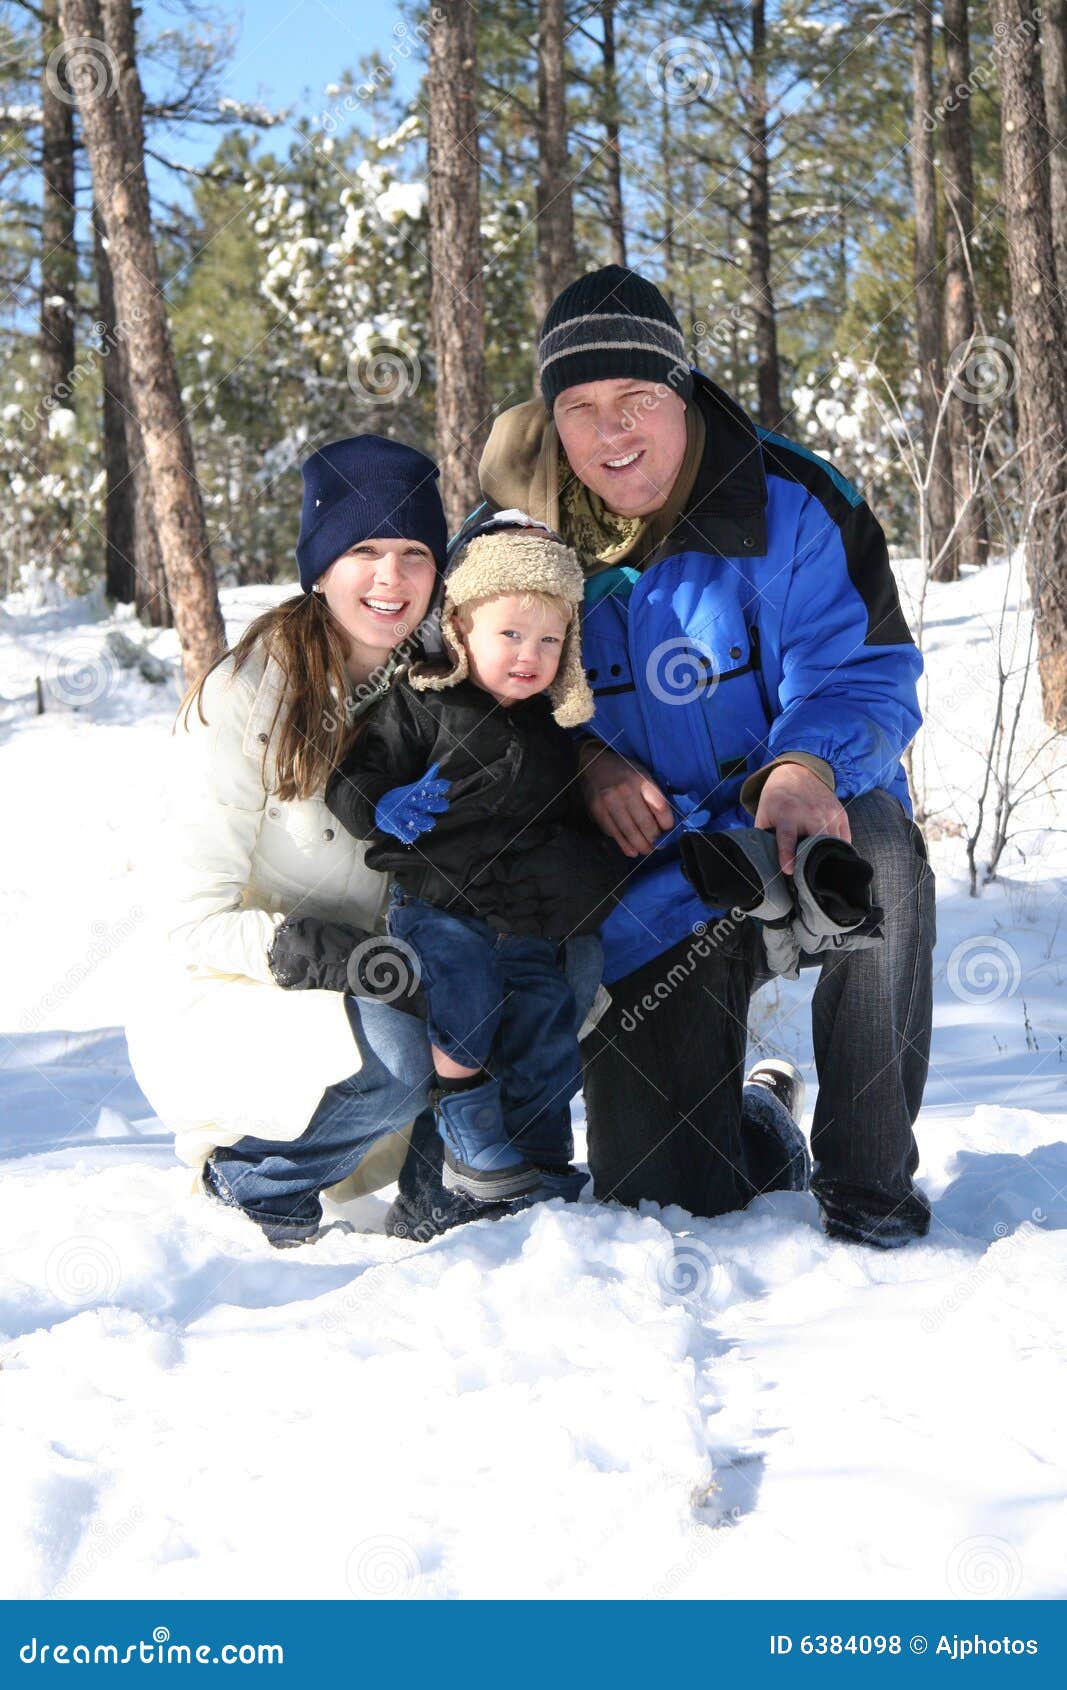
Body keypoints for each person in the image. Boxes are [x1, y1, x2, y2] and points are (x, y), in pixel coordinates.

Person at [451, 265, 937, 1250]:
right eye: (581, 408)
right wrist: (579, 759)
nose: (612, 431)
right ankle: (759, 1124)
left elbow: (864, 672)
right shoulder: (510, 544)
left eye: (637, 398)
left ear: (682, 389)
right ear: (551, 418)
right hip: (656, 888)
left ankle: (867, 1182)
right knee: (663, 1197)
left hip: (801, 836)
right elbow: (466, 718)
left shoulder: (795, 503)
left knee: (884, 861)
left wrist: (802, 764)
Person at [124, 435, 604, 1247]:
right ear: (320, 566)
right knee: (402, 1029)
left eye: (415, 551)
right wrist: (328, 954)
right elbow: (188, 923)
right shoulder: (247, 696)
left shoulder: (443, 672)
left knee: (561, 962)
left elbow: (526, 770)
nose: (391, 578)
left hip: (401, 971)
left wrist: (571, 851)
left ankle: (449, 1190)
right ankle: (253, 1177)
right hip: (242, 991)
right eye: (364, 549)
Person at [324, 514, 621, 1207]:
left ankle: (543, 1152)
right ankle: (468, 1132)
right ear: (460, 630)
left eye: (550, 639)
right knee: (467, 1002)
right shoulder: (421, 704)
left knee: (546, 1024)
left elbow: (569, 816)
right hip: (438, 904)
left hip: (523, 916)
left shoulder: (554, 725)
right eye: (510, 635)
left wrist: (584, 870)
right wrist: (382, 804)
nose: (530, 654)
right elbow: (351, 774)